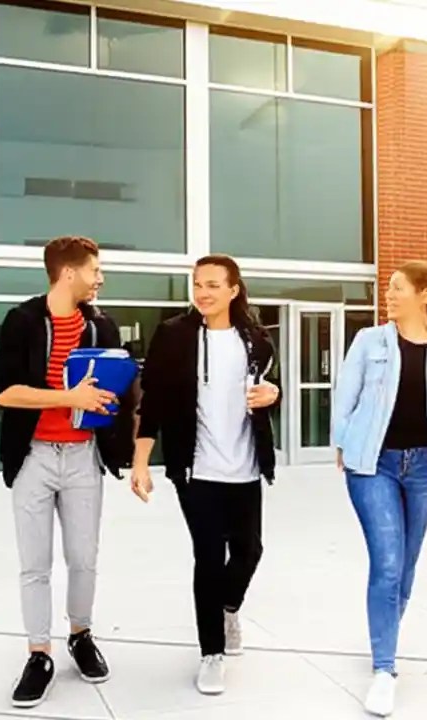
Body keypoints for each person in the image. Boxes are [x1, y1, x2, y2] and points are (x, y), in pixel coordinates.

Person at [0, 236, 136, 708]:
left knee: (83, 558)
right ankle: (39, 654)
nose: (100, 279)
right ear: (68, 272)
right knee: (34, 564)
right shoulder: (23, 321)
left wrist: (111, 405)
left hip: (83, 457)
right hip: (33, 457)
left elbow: (118, 394)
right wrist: (69, 397)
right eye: (95, 270)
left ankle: (81, 635)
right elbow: (6, 392)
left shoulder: (101, 325)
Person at [129, 254, 280, 696]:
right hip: (196, 469)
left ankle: (227, 607)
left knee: (249, 551)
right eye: (198, 284)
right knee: (209, 558)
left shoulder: (256, 339)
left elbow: (271, 389)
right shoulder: (174, 335)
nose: (203, 293)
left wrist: (274, 393)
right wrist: (141, 461)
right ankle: (211, 652)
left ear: (234, 290)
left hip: (246, 466)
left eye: (213, 285)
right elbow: (153, 401)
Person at [331, 260, 427, 718]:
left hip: (424, 469)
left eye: (398, 288)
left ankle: (383, 632)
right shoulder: (369, 341)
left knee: (405, 568)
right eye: (388, 287)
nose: (389, 295)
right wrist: (343, 443)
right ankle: (384, 668)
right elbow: (345, 396)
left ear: (424, 295)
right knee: (387, 564)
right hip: (374, 465)